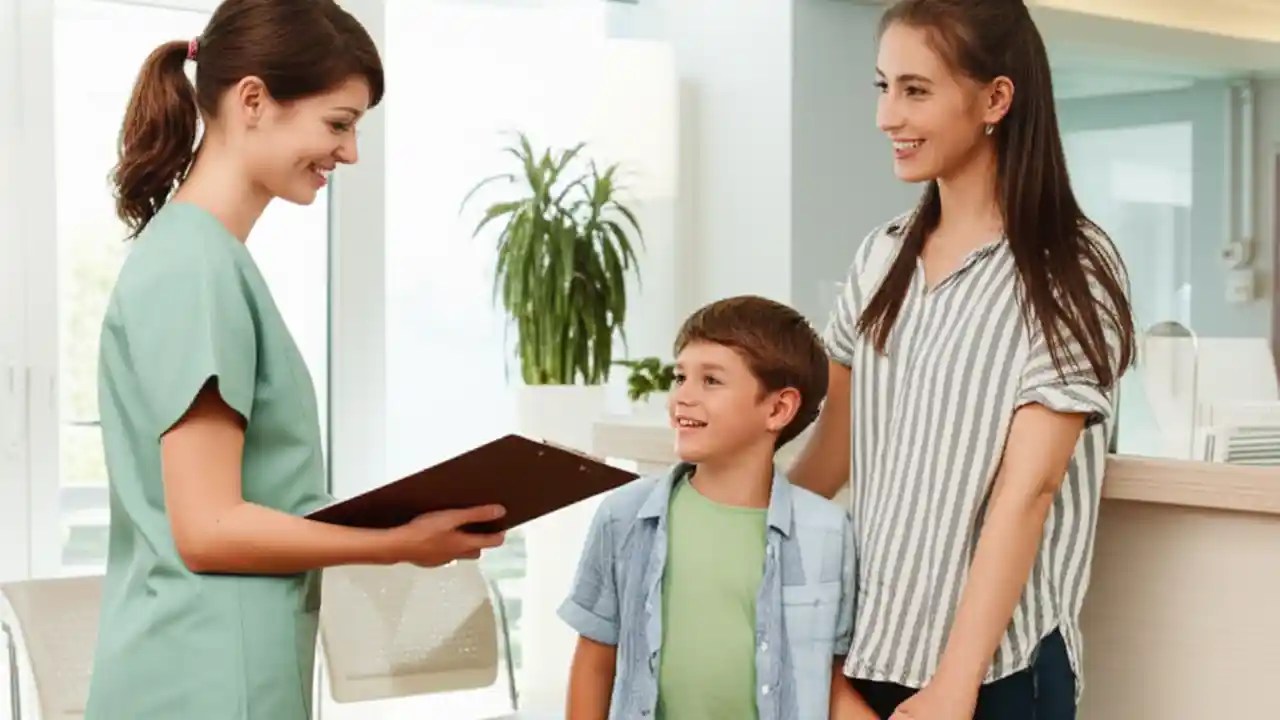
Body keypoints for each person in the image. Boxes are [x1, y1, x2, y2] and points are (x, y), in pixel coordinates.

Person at [85, 2, 506, 717]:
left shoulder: (202, 259)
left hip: (209, 664)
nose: (349, 153)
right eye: (338, 123)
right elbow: (209, 528)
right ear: (253, 100)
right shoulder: (196, 269)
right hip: (208, 679)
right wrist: (400, 542)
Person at [788, 1, 1137, 719]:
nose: (888, 116)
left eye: (916, 90)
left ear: (995, 98)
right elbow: (833, 455)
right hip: (870, 649)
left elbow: (1029, 492)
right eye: (882, 87)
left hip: (998, 672)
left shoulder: (1072, 267)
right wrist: (728, 524)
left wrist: (955, 683)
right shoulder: (881, 254)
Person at [558, 296, 878, 720]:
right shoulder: (624, 516)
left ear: (778, 408)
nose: (682, 397)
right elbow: (595, 661)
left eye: (711, 380)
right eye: (680, 376)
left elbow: (826, 681)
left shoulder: (829, 533)